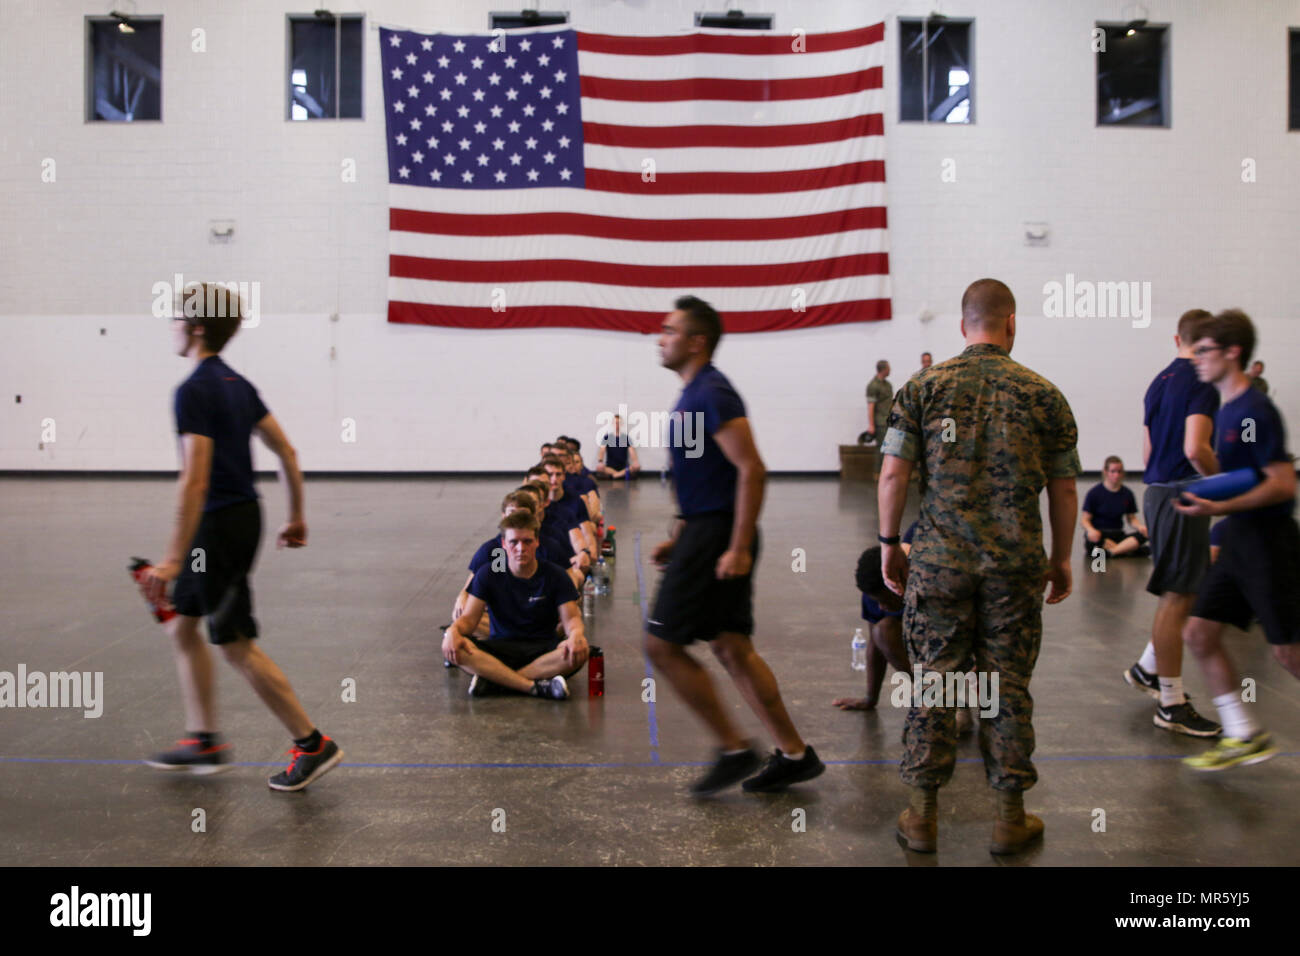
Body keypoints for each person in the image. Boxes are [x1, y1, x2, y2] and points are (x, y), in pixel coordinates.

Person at [878, 278, 1080, 855]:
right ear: (1011, 323)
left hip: (938, 562)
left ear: (963, 325)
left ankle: (921, 818)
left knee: (933, 683)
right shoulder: (1044, 395)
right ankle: (1009, 819)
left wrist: (890, 541)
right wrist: (1061, 560)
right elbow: (1064, 490)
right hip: (1015, 569)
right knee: (1005, 687)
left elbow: (893, 475)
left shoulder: (923, 387)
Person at [141, 283, 342, 791]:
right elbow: (288, 453)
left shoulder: (192, 391)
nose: (171, 325)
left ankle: (312, 743)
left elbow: (195, 479)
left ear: (198, 327)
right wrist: (296, 516)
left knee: (234, 643)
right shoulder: (237, 384)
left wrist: (170, 559)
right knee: (182, 627)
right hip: (240, 517)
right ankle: (203, 739)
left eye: (177, 317)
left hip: (217, 530)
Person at [645, 295, 824, 795]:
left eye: (669, 329)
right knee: (730, 647)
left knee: (660, 643)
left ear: (696, 341)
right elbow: (709, 476)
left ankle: (733, 748)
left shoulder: (712, 395)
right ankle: (794, 754)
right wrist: (679, 537)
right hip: (704, 532)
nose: (660, 337)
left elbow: (751, 469)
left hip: (720, 536)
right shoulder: (692, 396)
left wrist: (738, 546)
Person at [1175, 309, 1299, 770]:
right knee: (1199, 633)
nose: (1197, 359)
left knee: (1288, 652)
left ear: (1233, 353)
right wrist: (1214, 493)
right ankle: (1244, 733)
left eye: (1204, 350)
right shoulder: (1227, 410)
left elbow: (1283, 483)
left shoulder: (1254, 411)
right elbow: (1245, 477)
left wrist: (1218, 505)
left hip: (1269, 545)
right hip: (1238, 543)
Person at [1124, 309, 1222, 738]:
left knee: (1181, 592)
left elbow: (1146, 456)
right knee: (1177, 597)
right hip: (1185, 493)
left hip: (1157, 493)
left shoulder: (1158, 382)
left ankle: (1149, 668)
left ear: (1176, 338)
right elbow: (1196, 447)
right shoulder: (1203, 381)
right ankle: (1170, 702)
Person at [442, 510, 588, 699]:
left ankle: (495, 681)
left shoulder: (556, 575)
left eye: (527, 541)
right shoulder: (488, 574)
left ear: (537, 542)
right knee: (456, 647)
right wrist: (453, 631)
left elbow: (572, 619)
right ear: (504, 544)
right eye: (514, 542)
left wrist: (576, 635)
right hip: (500, 648)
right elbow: (469, 620)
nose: (521, 548)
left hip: (542, 650)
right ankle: (533, 686)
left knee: (581, 649)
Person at [1080, 457, 1149, 558]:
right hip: (1100, 534)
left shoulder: (1127, 493)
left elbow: (1131, 518)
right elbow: (1085, 520)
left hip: (1117, 534)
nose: (1116, 475)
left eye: (1119, 472)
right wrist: (1091, 530)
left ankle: (1112, 551)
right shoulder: (1094, 493)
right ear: (1106, 472)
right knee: (1092, 540)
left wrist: (1140, 527)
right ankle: (1125, 549)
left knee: (1144, 534)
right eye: (1113, 471)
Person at [597, 414, 641, 479]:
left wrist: (635, 462)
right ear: (613, 423)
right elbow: (602, 450)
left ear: (621, 424)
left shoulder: (626, 438)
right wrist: (600, 462)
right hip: (610, 467)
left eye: (619, 423)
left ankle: (614, 476)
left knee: (636, 467)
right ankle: (620, 475)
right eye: (616, 423)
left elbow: (632, 452)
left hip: (623, 467)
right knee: (599, 468)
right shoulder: (607, 437)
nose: (617, 425)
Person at [864, 360, 893, 445]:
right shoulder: (873, 386)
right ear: (884, 370)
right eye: (889, 368)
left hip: (889, 421)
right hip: (880, 423)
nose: (890, 370)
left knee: (890, 449)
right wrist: (871, 425)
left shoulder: (888, 385)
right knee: (882, 449)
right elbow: (870, 406)